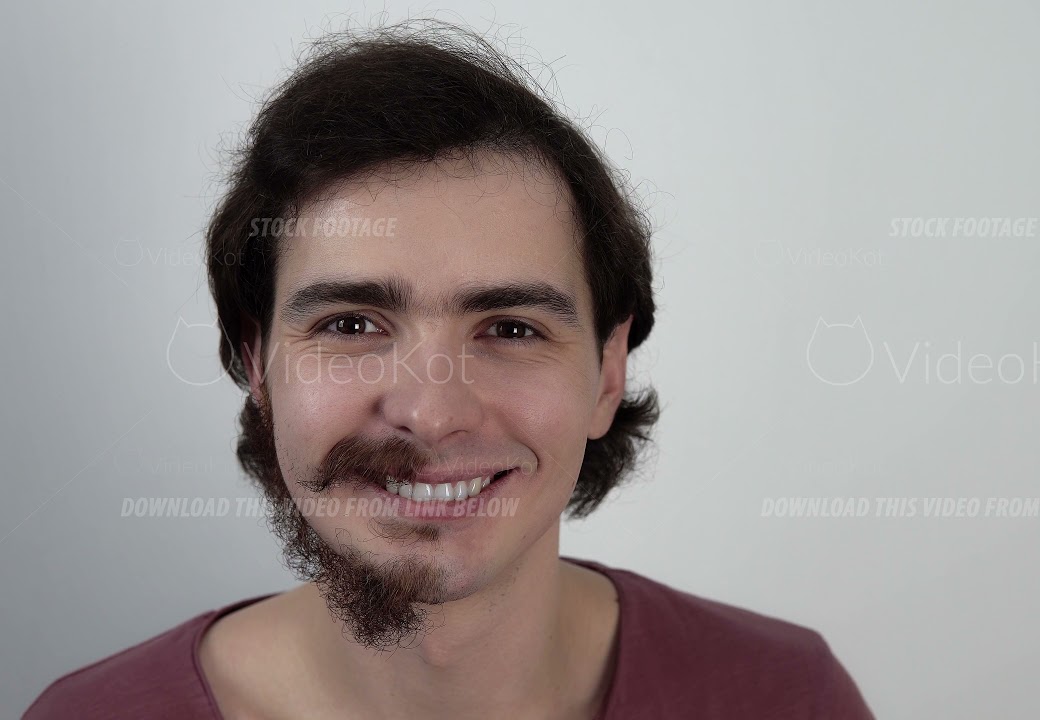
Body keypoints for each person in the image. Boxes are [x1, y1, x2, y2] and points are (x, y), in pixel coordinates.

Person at [25, 20, 875, 719]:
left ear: (608, 372)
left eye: (509, 327)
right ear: (259, 365)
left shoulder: (787, 698)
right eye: (351, 323)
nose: (432, 415)